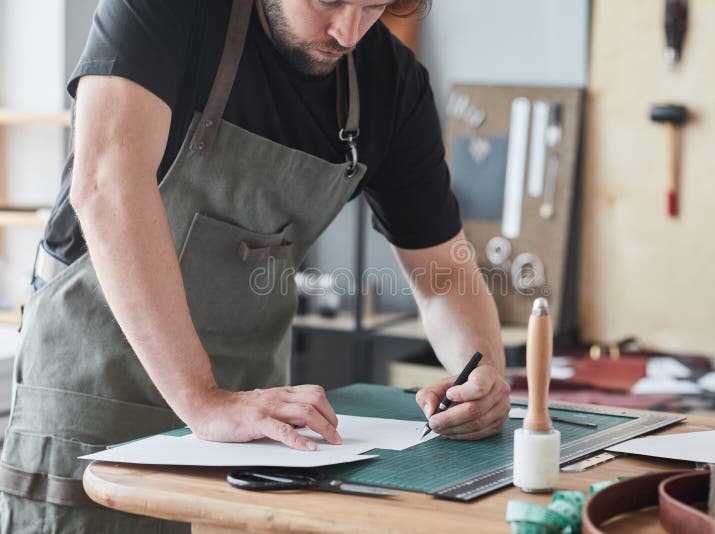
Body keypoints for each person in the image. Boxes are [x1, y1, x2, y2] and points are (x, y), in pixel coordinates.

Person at [0, 0, 510, 531]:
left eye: (373, 6)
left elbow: (443, 273)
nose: (348, 30)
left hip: (258, 434)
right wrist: (203, 399)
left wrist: (481, 375)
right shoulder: (166, 10)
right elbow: (107, 187)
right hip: (96, 400)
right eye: (330, 1)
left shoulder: (391, 83)